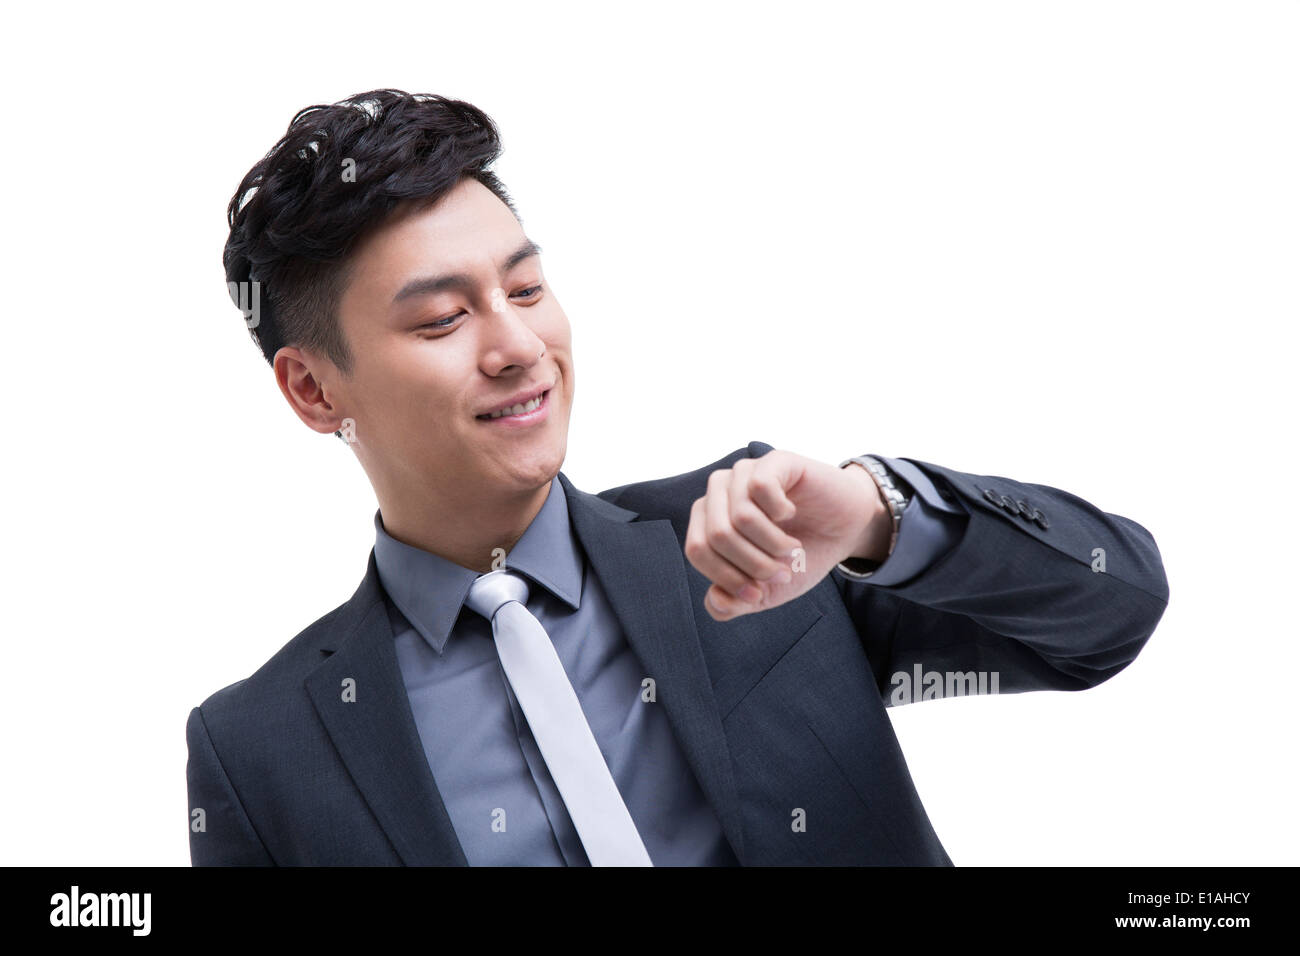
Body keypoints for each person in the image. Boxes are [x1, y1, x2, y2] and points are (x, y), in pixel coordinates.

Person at [188, 89, 1169, 866]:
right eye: (443, 318)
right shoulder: (263, 750)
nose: (520, 344)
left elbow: (1111, 611)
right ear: (314, 390)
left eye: (527, 288)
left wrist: (880, 517)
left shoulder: (760, 537)